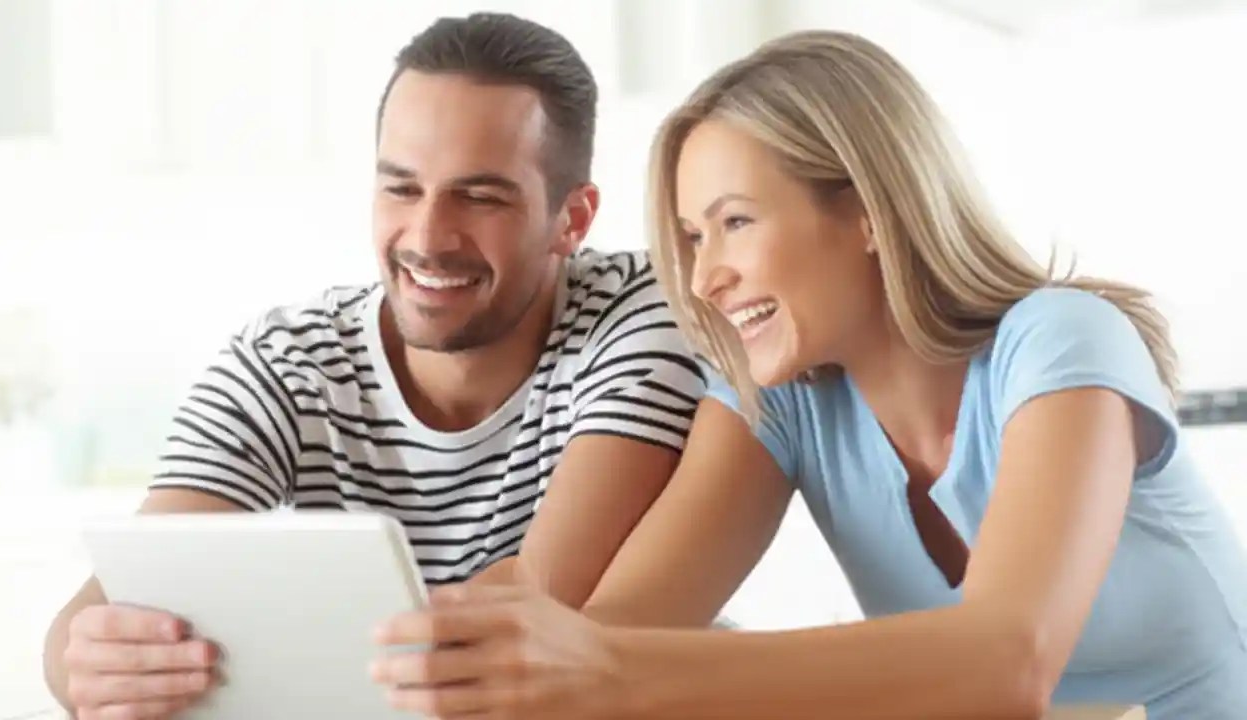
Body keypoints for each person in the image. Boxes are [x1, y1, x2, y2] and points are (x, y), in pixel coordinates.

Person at [368, 30, 1247, 719]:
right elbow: (617, 635)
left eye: (736, 222)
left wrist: (599, 666)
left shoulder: (1061, 342)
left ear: (868, 212)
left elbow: (1005, 663)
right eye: (692, 238)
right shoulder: (781, 403)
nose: (706, 277)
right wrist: (414, 651)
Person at [42, 12, 706, 718]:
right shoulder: (287, 359)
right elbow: (108, 604)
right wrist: (93, 660)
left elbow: (544, 596)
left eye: (479, 197)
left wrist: (279, 655)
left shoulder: (640, 311)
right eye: (401, 188)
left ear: (572, 220)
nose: (427, 237)